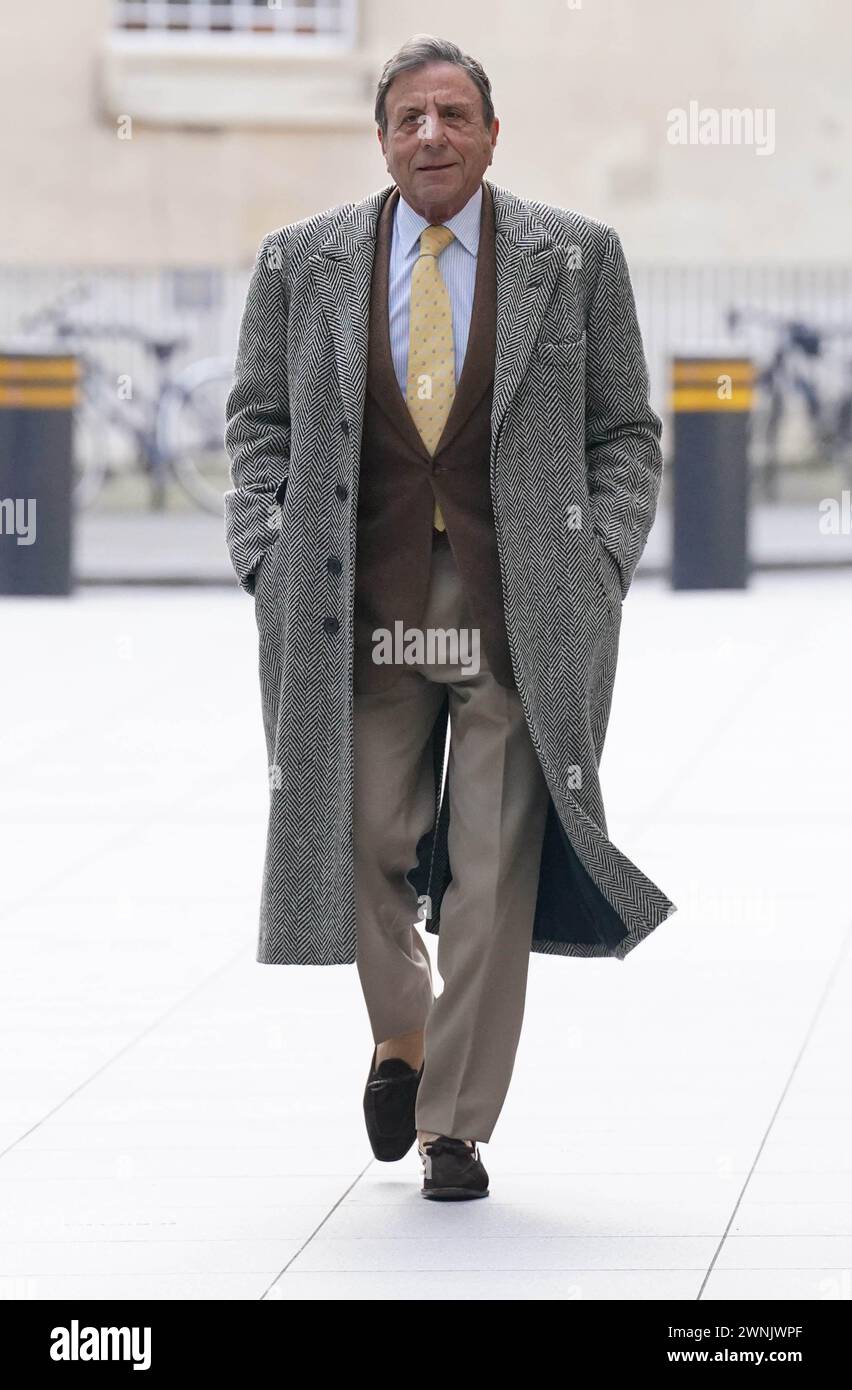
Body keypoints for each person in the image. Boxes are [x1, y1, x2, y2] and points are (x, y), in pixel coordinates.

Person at [224, 34, 675, 1202]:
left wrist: (601, 560)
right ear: (382, 139)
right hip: (357, 607)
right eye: (410, 118)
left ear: (489, 132)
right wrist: (265, 552)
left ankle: (454, 1127)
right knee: (364, 839)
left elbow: (627, 429)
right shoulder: (302, 262)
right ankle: (403, 1034)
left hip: (516, 605)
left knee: (491, 863)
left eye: (454, 115)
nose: (433, 135)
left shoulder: (575, 259)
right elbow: (257, 421)